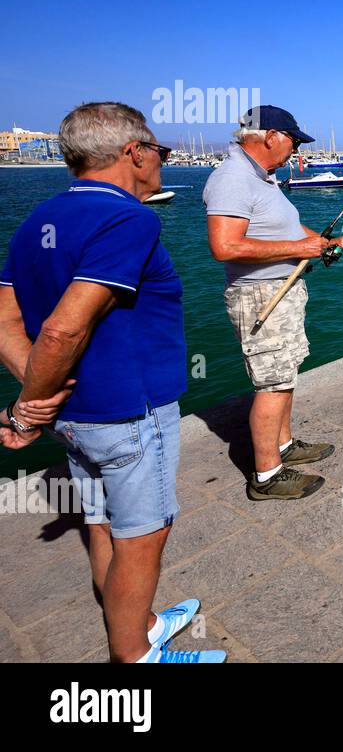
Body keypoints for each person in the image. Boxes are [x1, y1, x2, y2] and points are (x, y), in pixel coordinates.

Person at [0, 102, 223, 663]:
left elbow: (6, 319)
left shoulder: (38, 219)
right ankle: (135, 659)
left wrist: (44, 398)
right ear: (134, 153)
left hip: (77, 418)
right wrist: (29, 411)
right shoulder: (130, 218)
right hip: (128, 413)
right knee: (142, 537)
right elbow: (61, 331)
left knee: (101, 523)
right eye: (162, 152)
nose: (163, 163)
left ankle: (140, 622)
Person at [204, 105, 343, 501]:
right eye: (293, 141)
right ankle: (267, 474)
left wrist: (328, 243)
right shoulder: (232, 178)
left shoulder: (263, 179)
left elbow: (289, 230)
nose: (295, 150)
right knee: (272, 384)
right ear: (270, 136)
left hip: (283, 291)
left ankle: (285, 445)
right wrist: (298, 247)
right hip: (262, 297)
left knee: (285, 373)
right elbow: (224, 247)